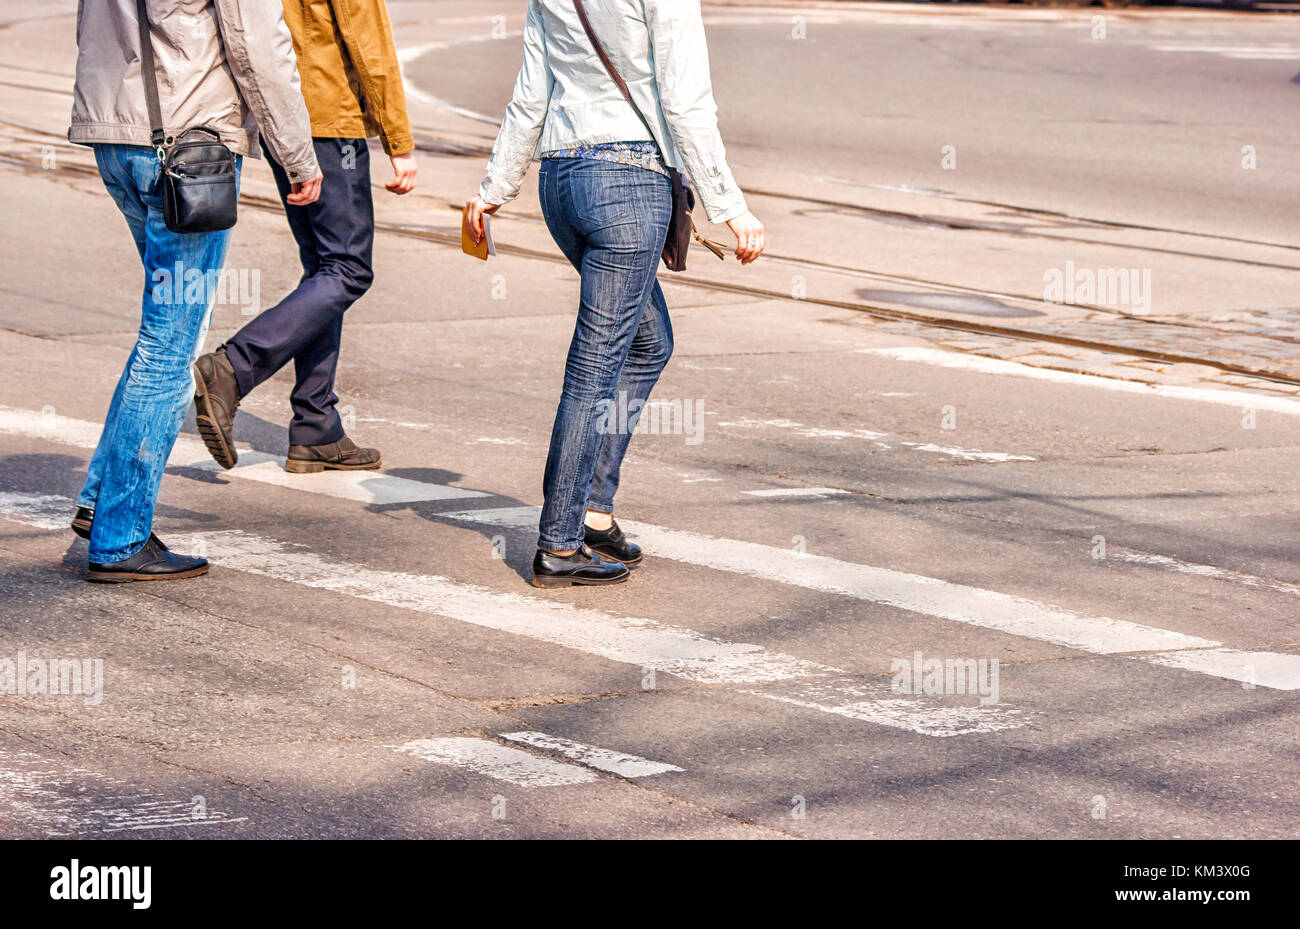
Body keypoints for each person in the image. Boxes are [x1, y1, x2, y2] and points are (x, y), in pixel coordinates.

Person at [466, 0, 766, 589]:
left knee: (649, 343)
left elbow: (532, 93)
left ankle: (594, 510)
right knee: (596, 365)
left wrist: (495, 187)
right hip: (627, 183)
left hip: (562, 183)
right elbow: (685, 100)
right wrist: (730, 207)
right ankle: (558, 541)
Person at [68, 0, 321, 582]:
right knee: (170, 344)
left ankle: (100, 500)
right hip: (190, 150)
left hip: (118, 139)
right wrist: (297, 156)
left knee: (163, 331)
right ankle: (120, 536)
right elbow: (259, 44)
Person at [192, 0, 417, 475]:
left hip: (281, 120)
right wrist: (399, 141)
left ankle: (317, 425)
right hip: (328, 118)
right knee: (349, 269)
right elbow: (368, 40)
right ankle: (234, 366)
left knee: (324, 271)